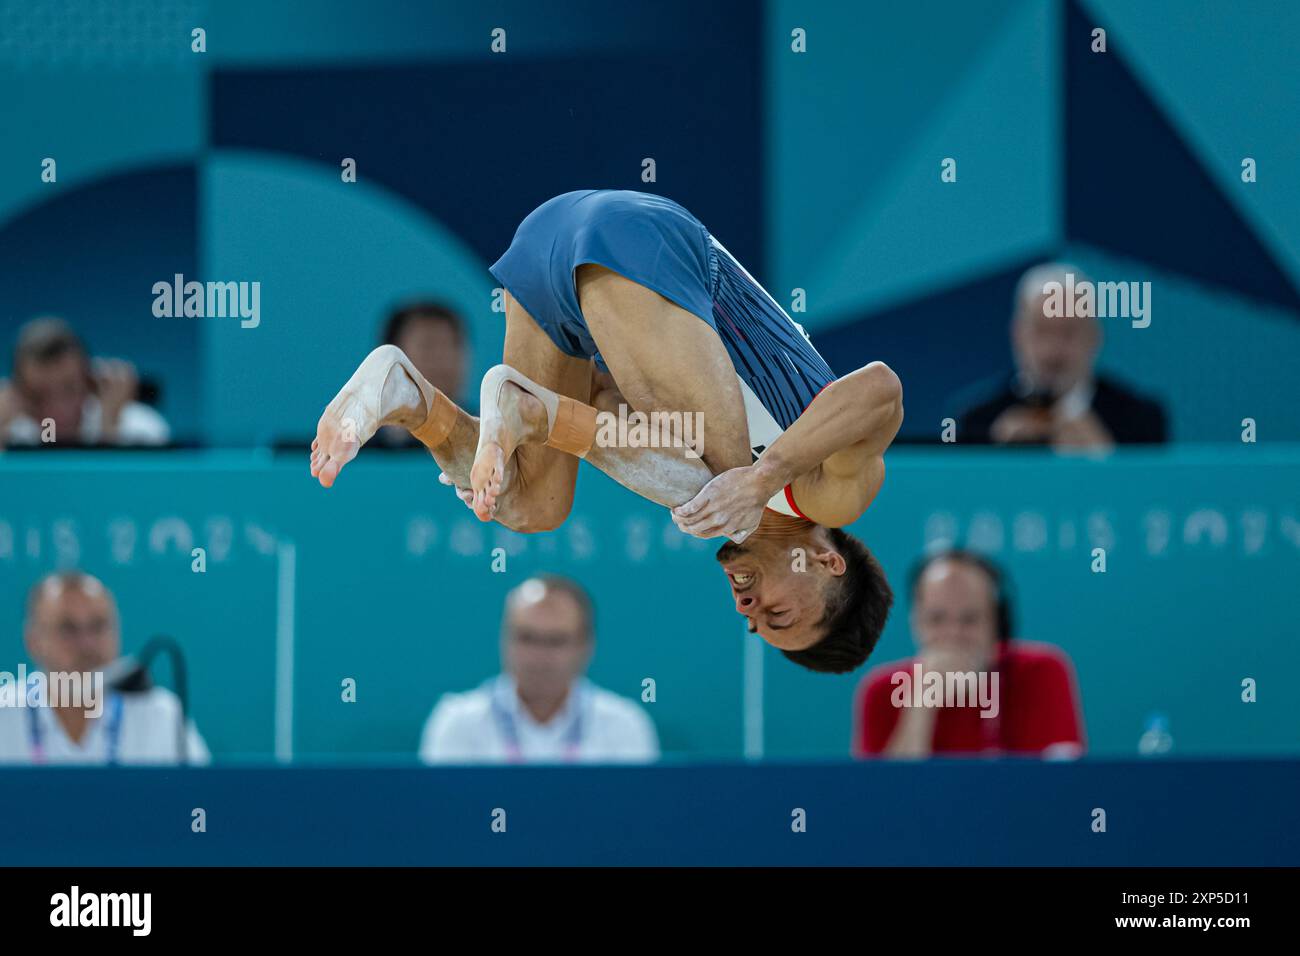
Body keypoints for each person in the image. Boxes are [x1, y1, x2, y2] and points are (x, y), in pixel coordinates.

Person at [310, 190, 902, 674]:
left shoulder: (710, 488)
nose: (749, 608)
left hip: (549, 260)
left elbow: (597, 393)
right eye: (778, 616)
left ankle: (409, 398)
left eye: (752, 623)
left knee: (533, 505)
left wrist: (517, 436)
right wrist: (763, 476)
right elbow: (881, 388)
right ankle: (526, 411)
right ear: (828, 566)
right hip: (641, 242)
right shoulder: (831, 495)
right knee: (724, 488)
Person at [853, 550, 1084, 758]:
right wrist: (921, 701)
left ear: (997, 623)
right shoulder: (882, 690)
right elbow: (886, 798)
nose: (953, 634)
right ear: (915, 622)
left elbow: (1066, 786)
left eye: (970, 619)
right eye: (936, 619)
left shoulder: (1042, 673)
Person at [420, 576, 658, 764]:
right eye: (526, 638)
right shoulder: (457, 722)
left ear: (586, 646)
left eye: (556, 640)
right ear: (504, 639)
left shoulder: (625, 724)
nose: (538, 655)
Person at [0, 572, 209, 765]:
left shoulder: (162, 714)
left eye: (98, 626)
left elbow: (203, 797)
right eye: (68, 629)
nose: (87, 645)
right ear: (33, 641)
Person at [956, 263, 1167, 449]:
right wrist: (994, 455)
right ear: (1018, 335)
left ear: (1094, 337)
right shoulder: (977, 420)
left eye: (1069, 332)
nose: (1052, 351)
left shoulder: (1140, 419)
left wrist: (1104, 456)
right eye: (1042, 331)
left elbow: (1158, 491)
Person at [0, 317, 170, 447]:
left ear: (89, 381)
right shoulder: (12, 432)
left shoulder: (141, 426)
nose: (57, 409)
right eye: (39, 395)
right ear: (19, 392)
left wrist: (109, 430)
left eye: (69, 389)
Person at [374, 301, 470, 448]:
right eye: (427, 346)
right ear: (391, 359)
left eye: (450, 346)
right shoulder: (354, 446)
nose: (441, 358)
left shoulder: (489, 436)